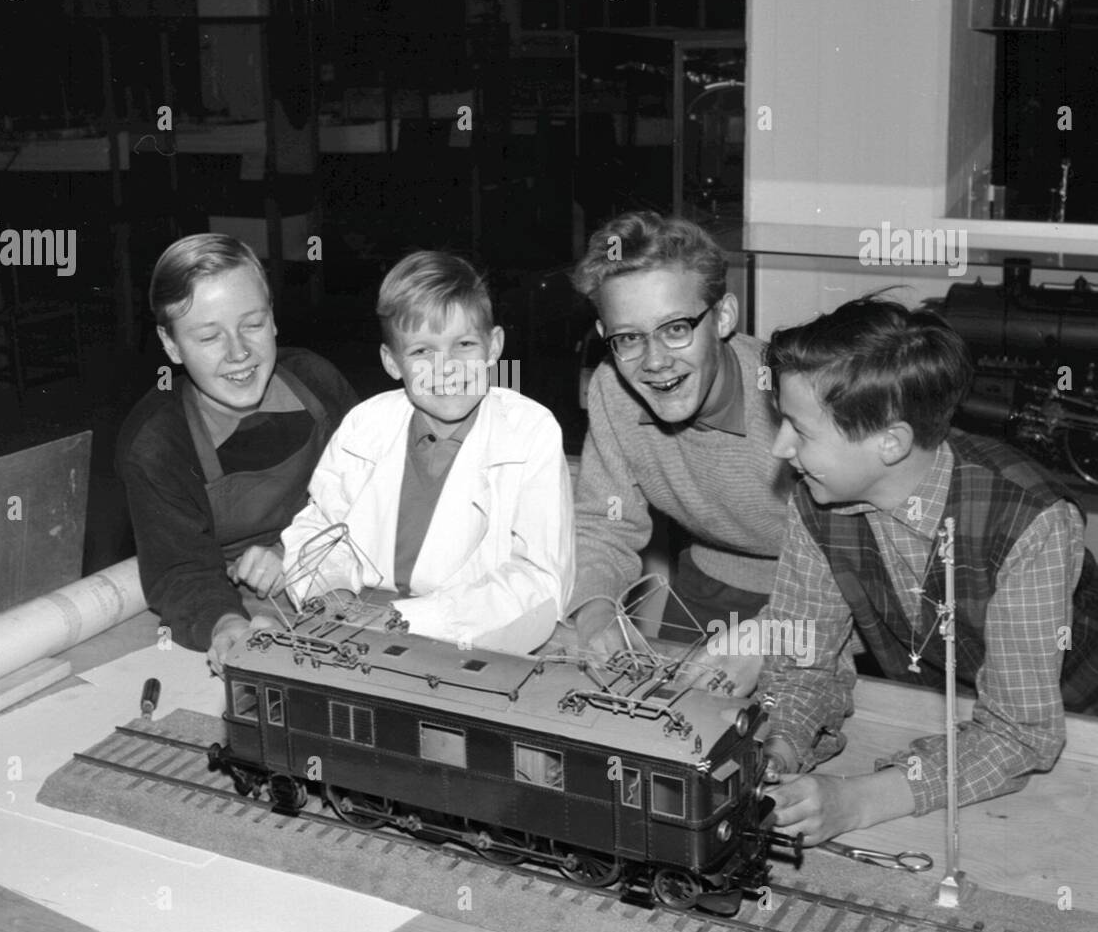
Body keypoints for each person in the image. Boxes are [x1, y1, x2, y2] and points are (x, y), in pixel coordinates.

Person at [699, 295, 1098, 843]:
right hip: (942, 711)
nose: (782, 447)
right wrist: (780, 747)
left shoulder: (1031, 523)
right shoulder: (817, 499)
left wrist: (857, 801)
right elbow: (803, 664)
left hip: (1080, 728)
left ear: (891, 442)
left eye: (799, 429)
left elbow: (1021, 734)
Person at [281, 251, 574, 654]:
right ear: (391, 362)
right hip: (356, 618)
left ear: (494, 348)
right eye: (421, 352)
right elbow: (318, 530)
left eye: (465, 344)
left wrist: (404, 620)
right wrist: (330, 594)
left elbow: (539, 582)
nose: (446, 367)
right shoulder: (365, 424)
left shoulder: (530, 431)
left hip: (472, 636)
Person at [116, 234, 357, 671]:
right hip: (244, 604)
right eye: (209, 336)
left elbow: (372, 496)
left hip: (344, 573)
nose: (239, 352)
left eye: (253, 324)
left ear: (274, 319)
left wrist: (294, 553)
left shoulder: (317, 385)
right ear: (171, 346)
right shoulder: (158, 443)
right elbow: (179, 570)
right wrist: (224, 624)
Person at [569, 211, 791, 656]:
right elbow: (605, 526)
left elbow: (851, 561)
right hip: (711, 582)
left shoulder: (795, 393)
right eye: (629, 338)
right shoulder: (613, 391)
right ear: (604, 335)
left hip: (830, 595)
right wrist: (595, 615)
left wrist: (771, 640)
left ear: (724, 316)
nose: (654, 361)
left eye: (675, 329)